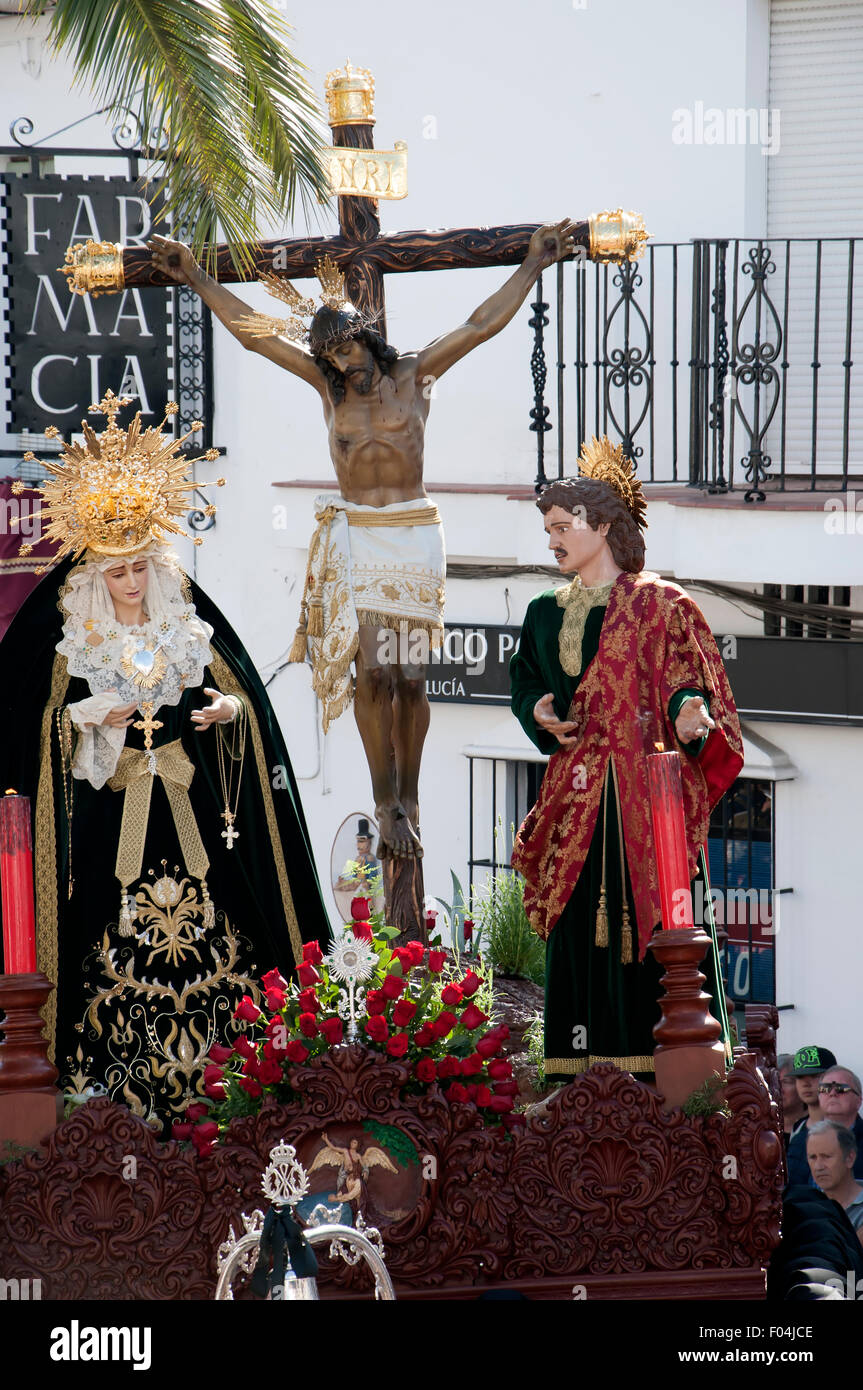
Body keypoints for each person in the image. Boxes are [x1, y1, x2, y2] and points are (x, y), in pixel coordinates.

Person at [147, 221, 578, 864]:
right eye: (333, 358)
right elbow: (256, 335)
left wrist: (533, 266)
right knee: (372, 672)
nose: (344, 365)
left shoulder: (413, 376)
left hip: (413, 533)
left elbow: (479, 325)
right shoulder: (330, 392)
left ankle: (411, 793)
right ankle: (384, 800)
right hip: (361, 538)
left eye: (350, 350)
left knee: (411, 675)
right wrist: (194, 275)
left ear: (368, 338)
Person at [0, 394, 332, 1129]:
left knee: (222, 931)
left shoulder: (187, 627)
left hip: (195, 814)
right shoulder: (62, 641)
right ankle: (107, 1095)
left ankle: (231, 1080)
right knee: (105, 941)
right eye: (118, 572)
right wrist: (84, 718)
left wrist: (227, 715)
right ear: (94, 572)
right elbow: (27, 730)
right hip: (103, 820)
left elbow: (245, 702)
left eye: (141, 569)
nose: (131, 584)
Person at [509, 438, 744, 1083]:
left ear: (604, 525)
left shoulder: (659, 605)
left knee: (655, 924)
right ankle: (571, 1075)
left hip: (643, 795)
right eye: (547, 529)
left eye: (563, 526)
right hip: (574, 793)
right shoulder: (541, 612)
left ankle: (665, 1071)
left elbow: (683, 679)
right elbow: (525, 681)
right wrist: (541, 712)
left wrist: (691, 713)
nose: (553, 540)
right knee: (576, 924)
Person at [786, 1045, 839, 1186]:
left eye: (815, 1076)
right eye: (800, 1077)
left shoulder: (847, 1126)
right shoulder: (798, 1127)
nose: (806, 1083)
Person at [806, 1121, 863, 1243]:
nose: (818, 1166)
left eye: (826, 1156)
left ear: (850, 1158)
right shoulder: (807, 1208)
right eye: (813, 1157)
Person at [779, 1052, 808, 1150]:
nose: (779, 1088)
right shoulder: (764, 1128)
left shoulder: (815, 1126)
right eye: (775, 1081)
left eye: (785, 1082)